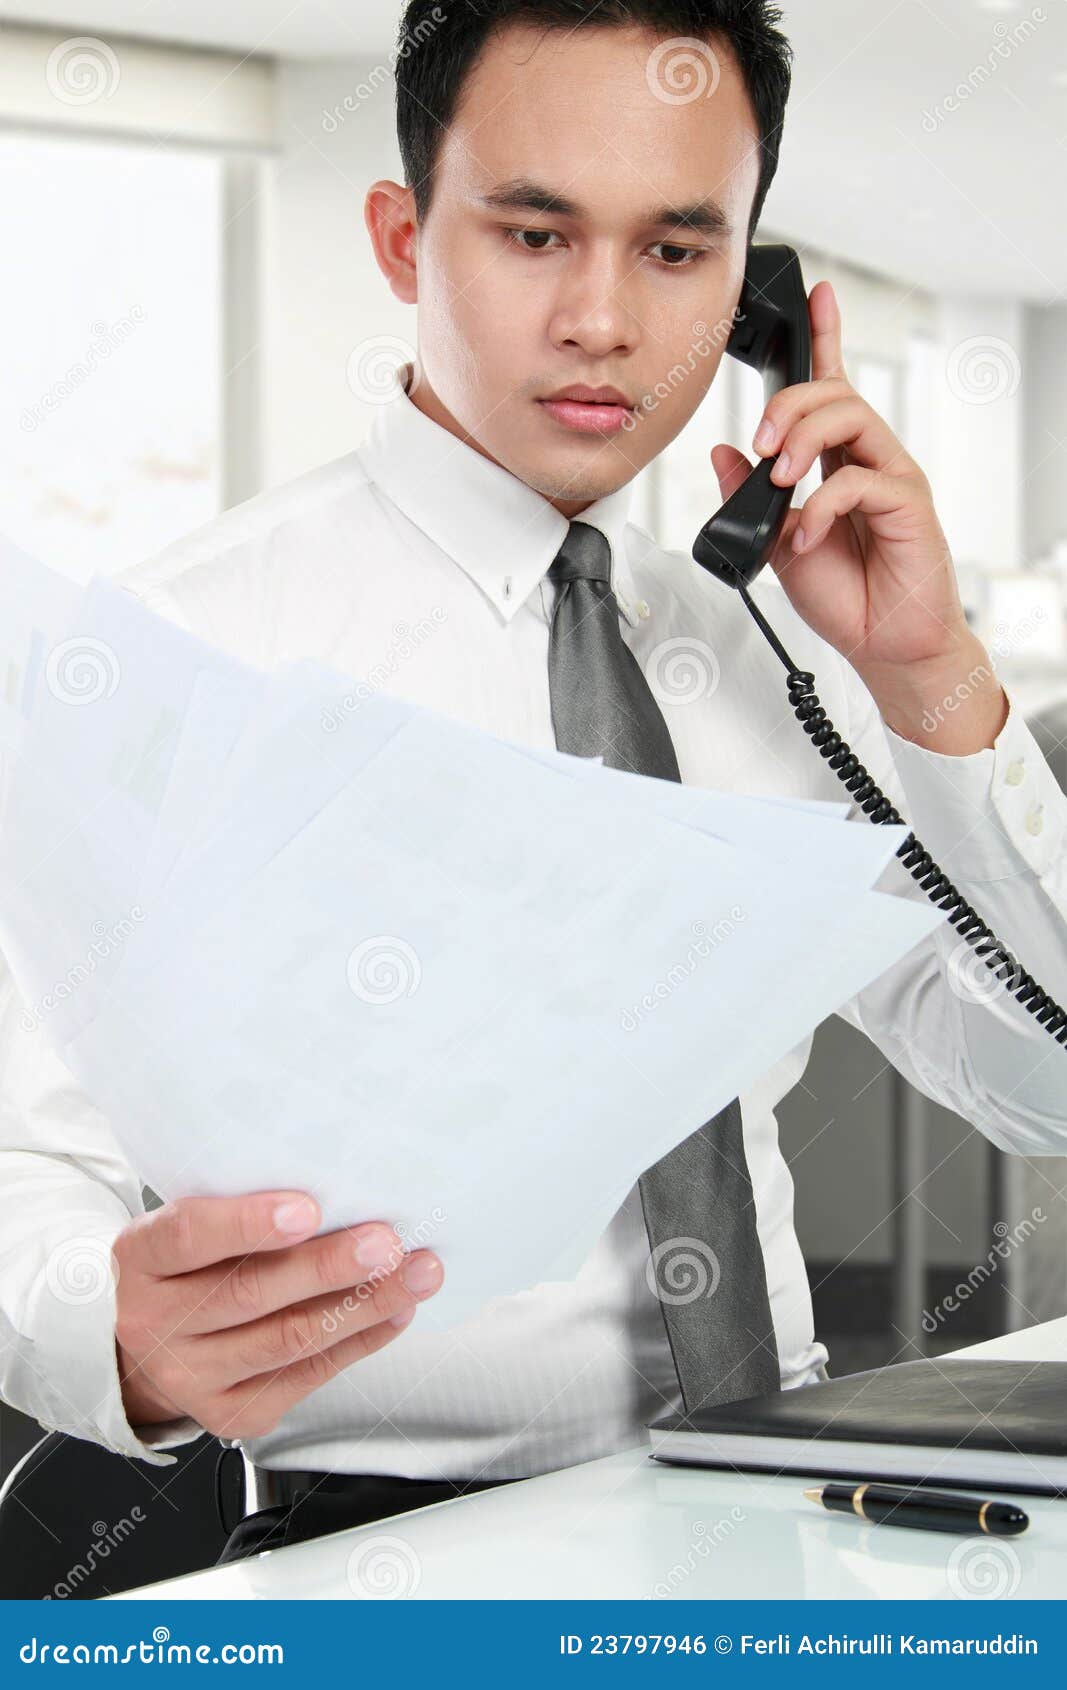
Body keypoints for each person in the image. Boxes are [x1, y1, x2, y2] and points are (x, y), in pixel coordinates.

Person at [2, 0, 1066, 1571]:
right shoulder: (182, 647)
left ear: (755, 290)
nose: (602, 321)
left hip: (793, 1511)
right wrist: (121, 1339)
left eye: (676, 251)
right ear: (400, 239)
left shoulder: (780, 642)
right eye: (532, 233)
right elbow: (29, 1158)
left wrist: (931, 679)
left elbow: (1038, 1081)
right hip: (391, 1544)